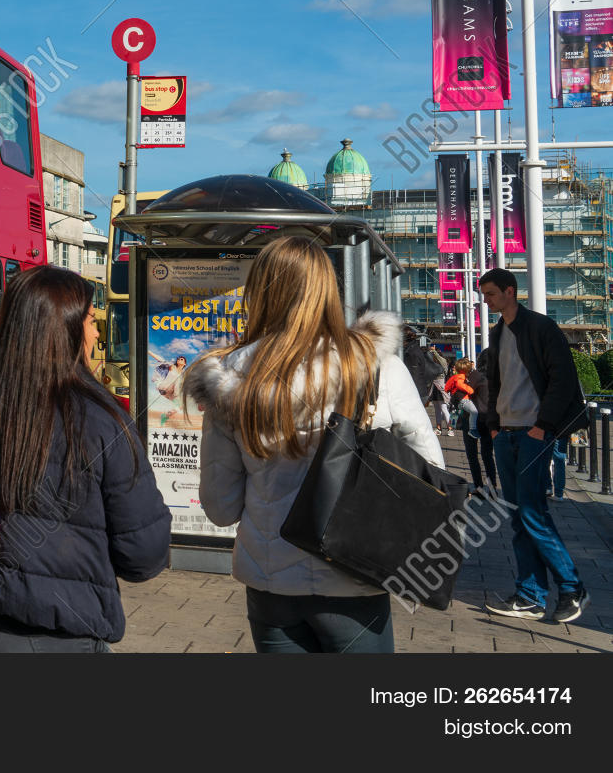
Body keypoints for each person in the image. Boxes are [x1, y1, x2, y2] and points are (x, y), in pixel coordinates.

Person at [185, 236, 442, 654]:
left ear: (260, 292)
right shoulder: (376, 364)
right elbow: (429, 471)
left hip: (270, 583)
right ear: (327, 289)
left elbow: (220, 508)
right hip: (356, 575)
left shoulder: (228, 376)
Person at [0, 264, 170, 652]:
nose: (96, 334)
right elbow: (143, 555)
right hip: (69, 634)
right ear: (67, 328)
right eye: (91, 321)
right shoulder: (103, 420)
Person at [477, 267, 590, 624]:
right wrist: (494, 427)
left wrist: (543, 428)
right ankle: (530, 596)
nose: (487, 300)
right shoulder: (497, 333)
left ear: (510, 291)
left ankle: (572, 588)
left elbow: (563, 381)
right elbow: (495, 383)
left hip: (532, 433)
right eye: (484, 294)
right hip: (506, 433)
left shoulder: (541, 328)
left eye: (491, 293)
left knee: (531, 513)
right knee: (517, 515)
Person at [448, 358, 497, 495]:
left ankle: (478, 487)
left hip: (470, 422)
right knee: (487, 455)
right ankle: (492, 487)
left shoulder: (462, 381)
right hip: (487, 420)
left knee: (472, 455)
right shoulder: (485, 379)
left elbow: (456, 399)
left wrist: (453, 421)